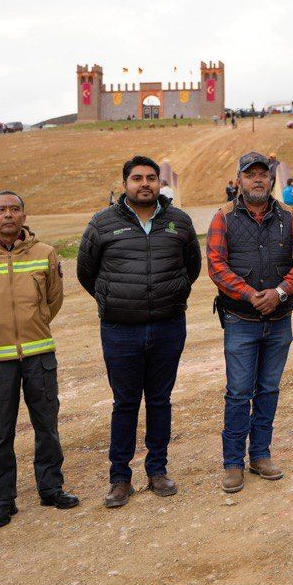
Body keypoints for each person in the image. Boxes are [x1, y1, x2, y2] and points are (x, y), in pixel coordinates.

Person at [77, 155, 202, 507]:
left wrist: (171, 294)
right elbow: (87, 273)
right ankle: (119, 478)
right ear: (125, 184)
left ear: (160, 183)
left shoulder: (179, 221)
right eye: (137, 178)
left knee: (160, 400)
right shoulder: (102, 224)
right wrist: (113, 300)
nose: (144, 183)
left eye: (151, 178)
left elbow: (191, 266)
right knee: (125, 402)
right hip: (120, 330)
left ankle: (157, 470)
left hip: (168, 326)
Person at [0, 191, 79, 528]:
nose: (8, 215)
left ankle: (51, 488)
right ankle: (2, 501)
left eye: (15, 209)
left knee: (47, 425)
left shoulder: (45, 254)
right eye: (1, 210)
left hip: (39, 353)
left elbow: (53, 299)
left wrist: (35, 324)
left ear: (24, 216)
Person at [206, 153, 293, 493]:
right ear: (239, 180)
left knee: (268, 390)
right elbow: (216, 266)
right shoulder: (223, 217)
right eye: (250, 175)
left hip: (280, 320)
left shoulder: (290, 217)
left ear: (271, 180)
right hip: (240, 320)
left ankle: (261, 455)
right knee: (238, 393)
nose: (257, 180)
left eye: (262, 175)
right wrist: (252, 294)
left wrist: (280, 292)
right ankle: (233, 463)